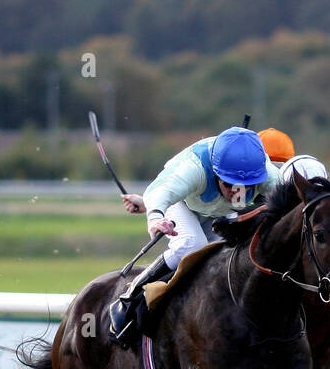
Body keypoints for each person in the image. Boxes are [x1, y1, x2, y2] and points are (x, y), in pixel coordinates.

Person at [111, 126, 278, 346]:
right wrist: (155, 216)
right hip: (184, 204)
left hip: (217, 211)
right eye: (228, 184)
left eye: (246, 186)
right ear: (215, 172)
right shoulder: (195, 168)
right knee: (191, 245)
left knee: (227, 258)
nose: (236, 192)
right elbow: (160, 191)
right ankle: (130, 297)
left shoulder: (269, 175)